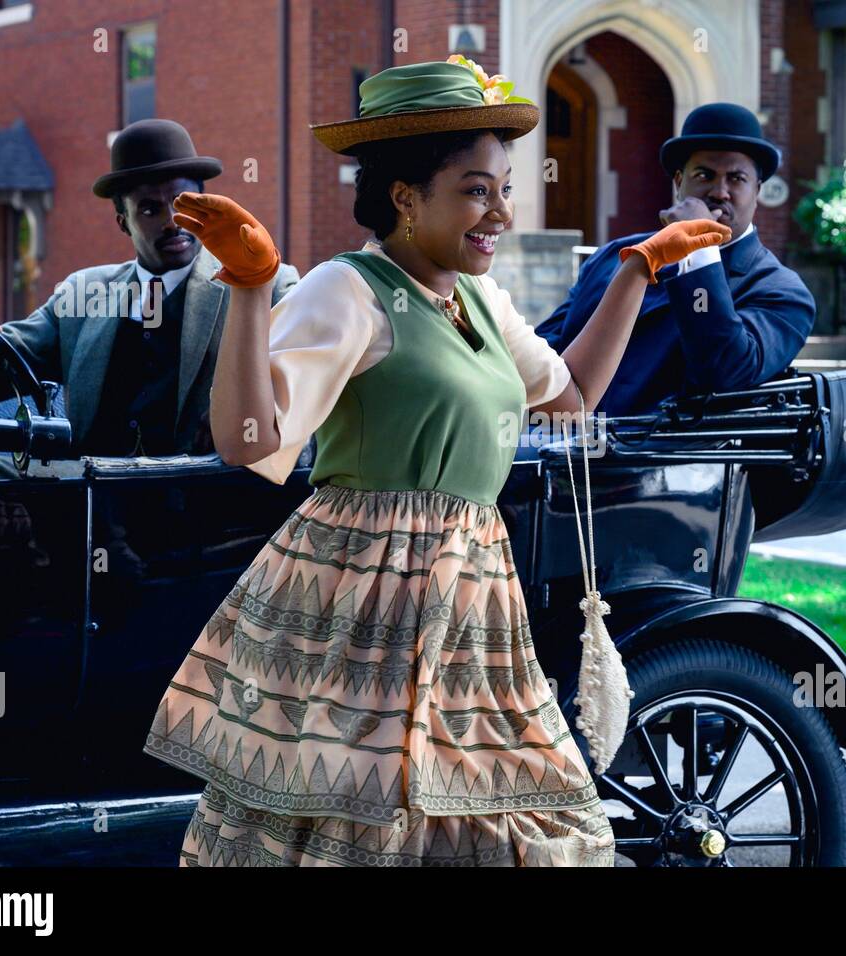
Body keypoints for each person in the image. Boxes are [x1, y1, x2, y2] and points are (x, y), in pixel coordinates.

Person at [139, 59, 729, 867]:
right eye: (476, 189)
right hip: (366, 600)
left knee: (512, 815)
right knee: (365, 824)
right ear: (406, 197)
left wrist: (636, 270)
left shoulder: (478, 299)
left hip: (474, 597)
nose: (500, 211)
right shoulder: (347, 291)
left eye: (504, 189)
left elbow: (573, 395)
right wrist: (249, 290)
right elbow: (247, 438)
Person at [0, 118, 299, 482]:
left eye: (182, 204)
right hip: (83, 487)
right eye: (149, 209)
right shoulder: (84, 293)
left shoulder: (260, 284)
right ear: (122, 221)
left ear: (206, 205)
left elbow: (298, 413)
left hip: (196, 493)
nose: (171, 221)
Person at [536, 102, 816, 417]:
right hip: (568, 450)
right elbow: (544, 351)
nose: (720, 191)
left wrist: (700, 252)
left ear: (757, 191)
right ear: (679, 183)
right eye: (704, 174)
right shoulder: (617, 256)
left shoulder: (781, 290)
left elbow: (725, 374)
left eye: (736, 179)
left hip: (673, 459)